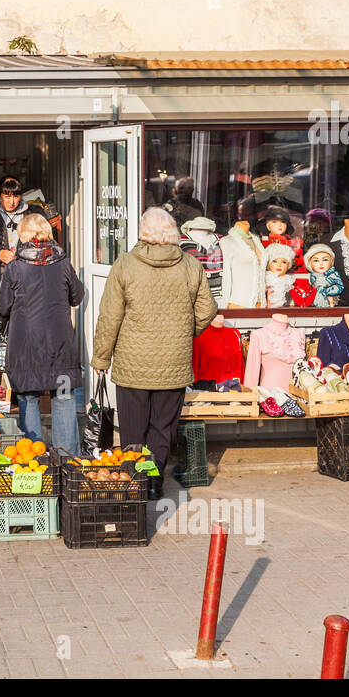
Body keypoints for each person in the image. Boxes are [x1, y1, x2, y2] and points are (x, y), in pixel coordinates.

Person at [92, 206, 217, 500]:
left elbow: (110, 316)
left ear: (143, 232)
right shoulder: (189, 265)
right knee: (162, 429)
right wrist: (185, 333)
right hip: (173, 364)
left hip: (133, 365)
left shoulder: (125, 264)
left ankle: (134, 482)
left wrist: (101, 358)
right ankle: (154, 482)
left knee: (134, 430)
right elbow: (208, 309)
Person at [0, 213, 85, 454]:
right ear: (47, 233)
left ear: (23, 235)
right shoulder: (64, 263)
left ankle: (33, 459)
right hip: (61, 348)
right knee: (64, 398)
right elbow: (77, 297)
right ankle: (67, 464)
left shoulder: (15, 268)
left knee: (28, 398)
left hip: (26, 349)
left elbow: (3, 306)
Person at [0, 177, 31, 341]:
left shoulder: (29, 215)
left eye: (16, 196)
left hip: (21, 281)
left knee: (19, 330)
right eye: (7, 195)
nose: (11, 201)